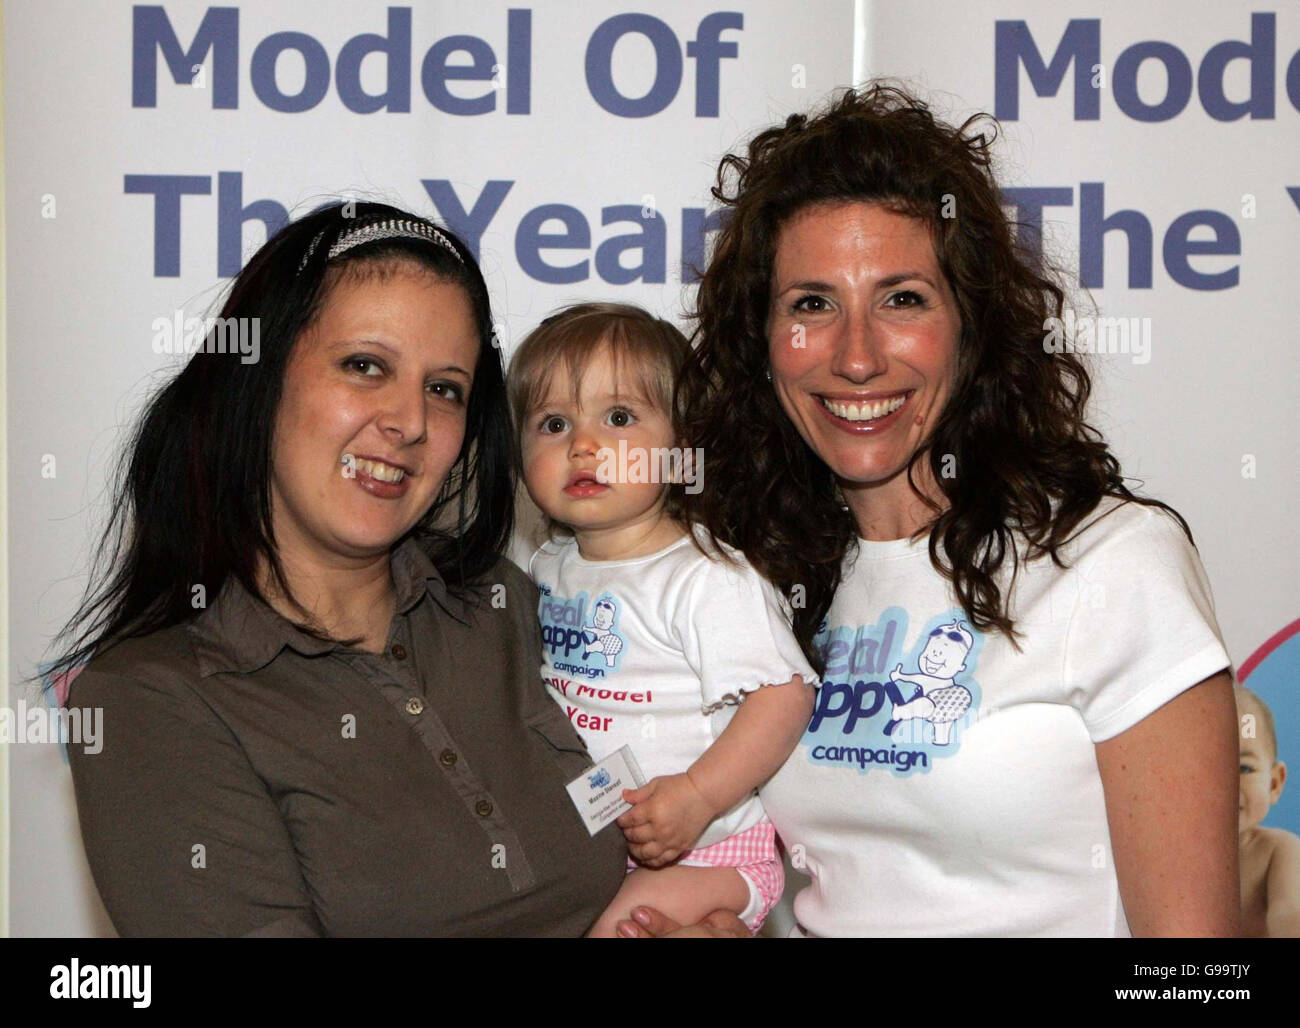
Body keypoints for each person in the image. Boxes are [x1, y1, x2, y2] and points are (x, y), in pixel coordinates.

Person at [621, 82, 1239, 938]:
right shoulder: (755, 576)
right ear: (761, 345)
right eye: (811, 305)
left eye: (902, 299)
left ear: (972, 326)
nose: (858, 357)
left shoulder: (1112, 562)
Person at [53, 201, 626, 936]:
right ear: (257, 380)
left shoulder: (500, 603)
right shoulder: (149, 701)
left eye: (444, 388)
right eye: (365, 366)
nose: (410, 421)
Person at [507, 302, 817, 936]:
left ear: (681, 447)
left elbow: (785, 696)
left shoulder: (705, 577)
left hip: (709, 851)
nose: (584, 445)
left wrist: (698, 796)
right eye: (554, 422)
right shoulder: (546, 567)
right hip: (600, 847)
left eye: (618, 417)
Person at [1236, 685, 1300, 936]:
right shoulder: (1168, 852)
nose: (1226, 784)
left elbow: (1289, 914)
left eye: (1244, 768)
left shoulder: (1278, 850)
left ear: (1274, 783)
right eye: (1205, 768)